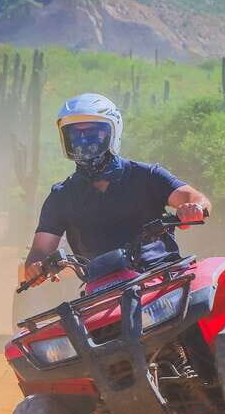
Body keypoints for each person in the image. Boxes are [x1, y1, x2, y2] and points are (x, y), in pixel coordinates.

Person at [24, 93, 212, 287]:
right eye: (75, 135)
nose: (83, 141)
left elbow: (195, 198)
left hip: (163, 276)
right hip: (102, 290)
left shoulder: (146, 176)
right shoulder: (61, 196)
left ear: (113, 132)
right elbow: (40, 250)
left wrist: (194, 207)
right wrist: (35, 267)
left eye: (92, 133)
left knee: (203, 304)